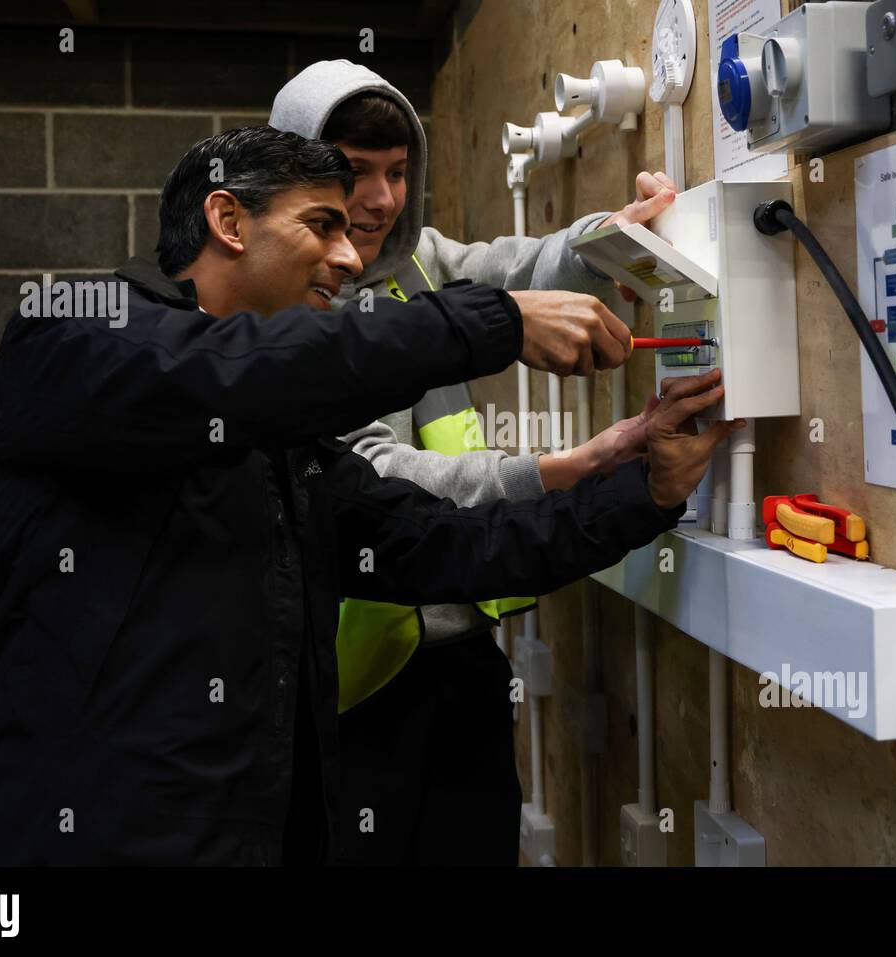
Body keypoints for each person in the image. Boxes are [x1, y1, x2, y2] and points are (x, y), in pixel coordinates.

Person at [0, 126, 735, 866]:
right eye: (321, 225)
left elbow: (447, 543)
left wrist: (645, 488)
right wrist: (494, 320)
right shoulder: (75, 338)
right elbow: (247, 369)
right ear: (227, 217)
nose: (350, 257)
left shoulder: (289, 452)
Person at [269, 60, 686, 865]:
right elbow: (377, 481)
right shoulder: (299, 310)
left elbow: (519, 269)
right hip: (354, 686)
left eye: (396, 173)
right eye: (355, 174)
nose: (382, 199)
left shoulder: (420, 259)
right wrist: (555, 469)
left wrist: (610, 239)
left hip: (463, 651)